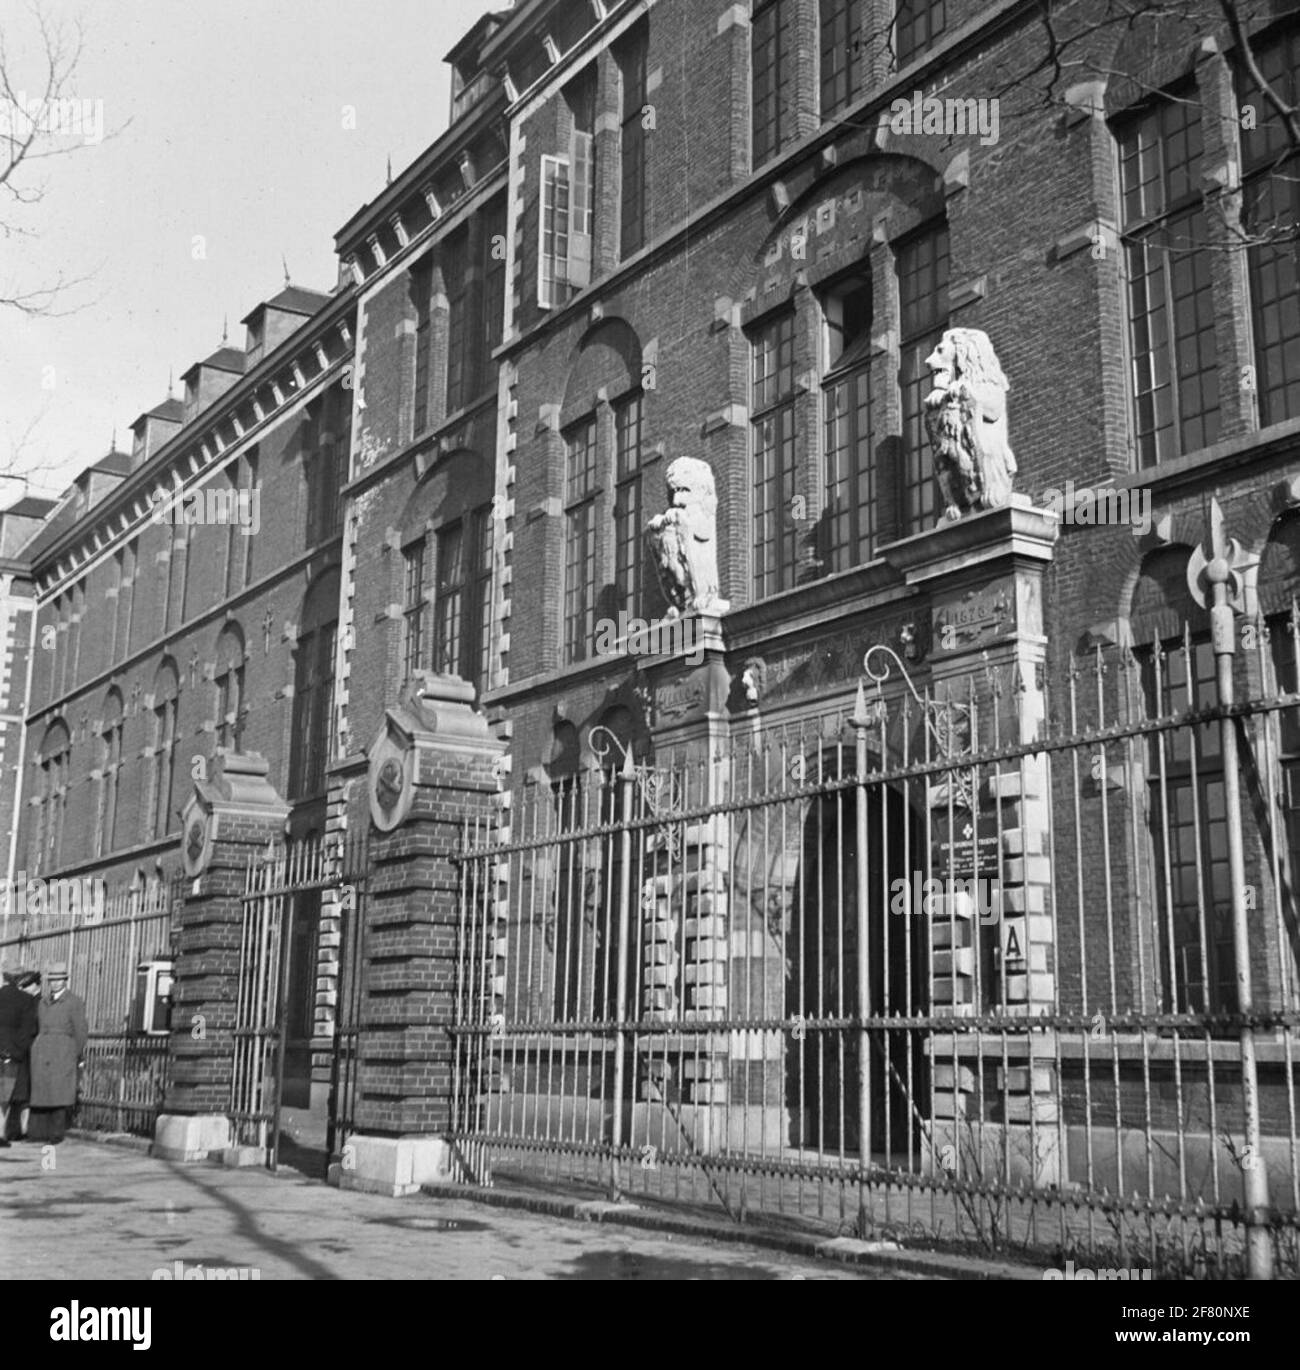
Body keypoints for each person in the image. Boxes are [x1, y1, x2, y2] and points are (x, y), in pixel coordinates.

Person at [28, 963, 88, 1145]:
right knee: (42, 1091)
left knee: (59, 1093)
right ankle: (38, 1133)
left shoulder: (74, 1002)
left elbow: (81, 1031)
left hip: (62, 1052)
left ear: (65, 981)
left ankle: (55, 1133)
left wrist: (74, 1053)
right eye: (52, 980)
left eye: (58, 980)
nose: (55, 983)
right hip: (43, 1051)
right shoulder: (43, 1002)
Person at [0, 964, 39, 1146]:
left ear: (4, 976)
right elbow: (28, 1030)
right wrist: (17, 1051)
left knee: (2, 1096)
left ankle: (1, 1131)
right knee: (8, 1093)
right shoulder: (26, 1000)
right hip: (14, 1054)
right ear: (19, 978)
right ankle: (7, 1132)